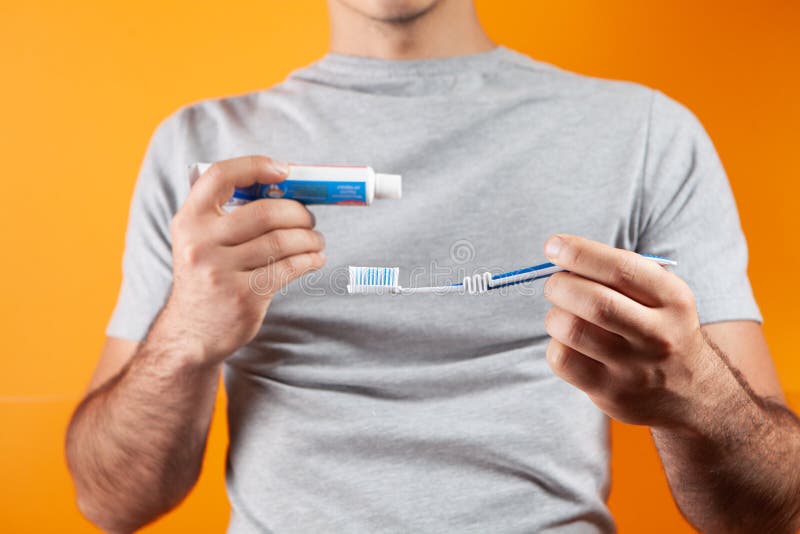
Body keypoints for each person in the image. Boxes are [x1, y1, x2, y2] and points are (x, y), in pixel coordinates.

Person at [65, 0, 800, 532]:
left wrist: (696, 393)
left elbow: (776, 512)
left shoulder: (646, 136)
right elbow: (109, 501)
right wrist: (187, 334)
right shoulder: (202, 156)